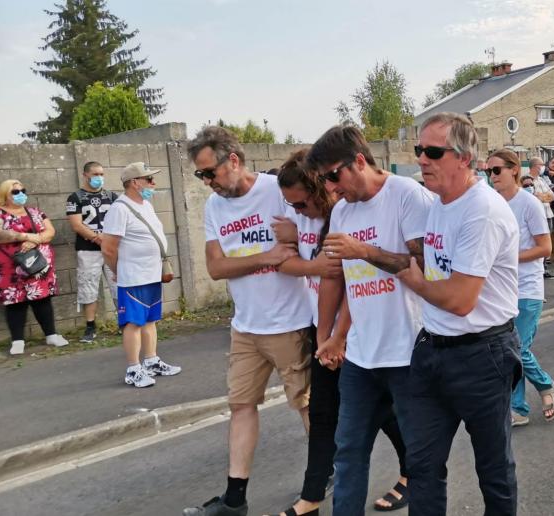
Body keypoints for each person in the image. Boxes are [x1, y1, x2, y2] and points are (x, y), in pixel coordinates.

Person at [268, 150, 411, 516]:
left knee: (367, 415)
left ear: (322, 189)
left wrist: (338, 335)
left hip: (363, 334)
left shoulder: (345, 215)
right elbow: (290, 263)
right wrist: (324, 337)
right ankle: (312, 497)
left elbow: (340, 278)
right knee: (331, 417)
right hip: (330, 331)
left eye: (301, 203)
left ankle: (412, 472)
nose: (296, 211)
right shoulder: (304, 220)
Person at [397, 112, 521, 515]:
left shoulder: (481, 210)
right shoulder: (439, 202)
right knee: (421, 465)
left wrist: (412, 281)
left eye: (433, 152)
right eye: (419, 150)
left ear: (465, 158)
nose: (422, 159)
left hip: (481, 354)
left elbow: (460, 299)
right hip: (432, 349)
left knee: (493, 467)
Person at [182, 128, 310, 516]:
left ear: (233, 160)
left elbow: (298, 248)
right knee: (241, 406)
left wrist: (277, 256)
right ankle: (235, 499)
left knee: (307, 407)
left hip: (290, 322)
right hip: (246, 327)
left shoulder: (278, 192)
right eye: (200, 176)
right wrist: (265, 257)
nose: (207, 183)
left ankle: (326, 473)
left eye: (210, 173)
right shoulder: (215, 207)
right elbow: (216, 267)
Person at [307, 125, 431, 516]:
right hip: (362, 355)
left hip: (408, 351)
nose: (330, 189)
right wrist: (335, 336)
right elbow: (350, 285)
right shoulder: (342, 210)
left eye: (332, 176)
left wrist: (363, 250)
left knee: (422, 457)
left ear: (359, 161)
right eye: (324, 180)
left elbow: (424, 267)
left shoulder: (406, 195)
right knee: (348, 451)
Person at [488, 149, 554, 427]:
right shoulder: (490, 204)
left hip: (527, 288)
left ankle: (544, 385)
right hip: (500, 290)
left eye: (496, 170)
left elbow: (546, 247)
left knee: (517, 349)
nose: (491, 176)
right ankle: (518, 408)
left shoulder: (528, 204)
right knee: (508, 352)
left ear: (514, 170)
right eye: (487, 171)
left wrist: (508, 257)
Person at [100, 162, 179, 389]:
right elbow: (109, 248)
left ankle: (152, 360)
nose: (153, 184)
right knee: (133, 323)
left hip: (151, 274)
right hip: (133, 276)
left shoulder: (145, 205)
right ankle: (133, 369)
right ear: (135, 182)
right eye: (149, 179)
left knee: (150, 320)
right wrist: (118, 271)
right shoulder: (120, 209)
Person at [0, 179, 67, 355]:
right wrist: (26, 237)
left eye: (22, 190)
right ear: (5, 194)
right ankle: (18, 341)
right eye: (15, 192)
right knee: (15, 302)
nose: (20, 194)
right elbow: (0, 235)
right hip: (10, 266)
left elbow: (50, 231)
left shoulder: (35, 212)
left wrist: (35, 240)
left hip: (38, 265)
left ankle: (51, 335)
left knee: (42, 300)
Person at [66, 161, 118, 343]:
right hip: (88, 250)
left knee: (119, 285)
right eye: (95, 174)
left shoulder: (112, 196)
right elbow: (76, 225)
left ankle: (125, 322)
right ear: (85, 175)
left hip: (111, 249)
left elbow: (120, 220)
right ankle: (90, 327)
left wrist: (109, 240)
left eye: (102, 174)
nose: (99, 178)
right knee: (88, 288)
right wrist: (98, 238)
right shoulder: (75, 198)